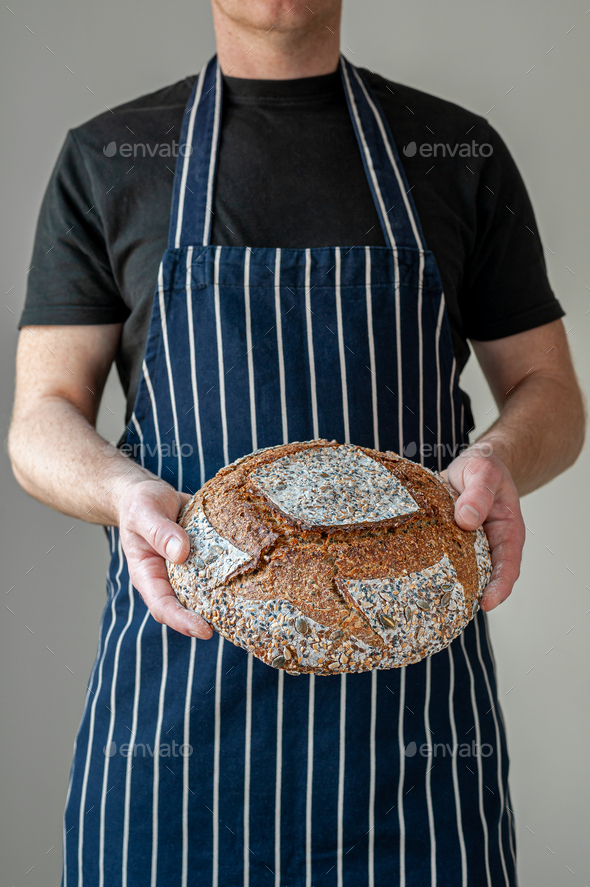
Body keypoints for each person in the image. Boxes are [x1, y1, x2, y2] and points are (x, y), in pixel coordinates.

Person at [8, 0, 585, 884]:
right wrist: (125, 493)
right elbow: (40, 417)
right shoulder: (110, 160)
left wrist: (498, 459)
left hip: (413, 749)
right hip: (173, 729)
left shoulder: (458, 154)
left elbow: (550, 392)